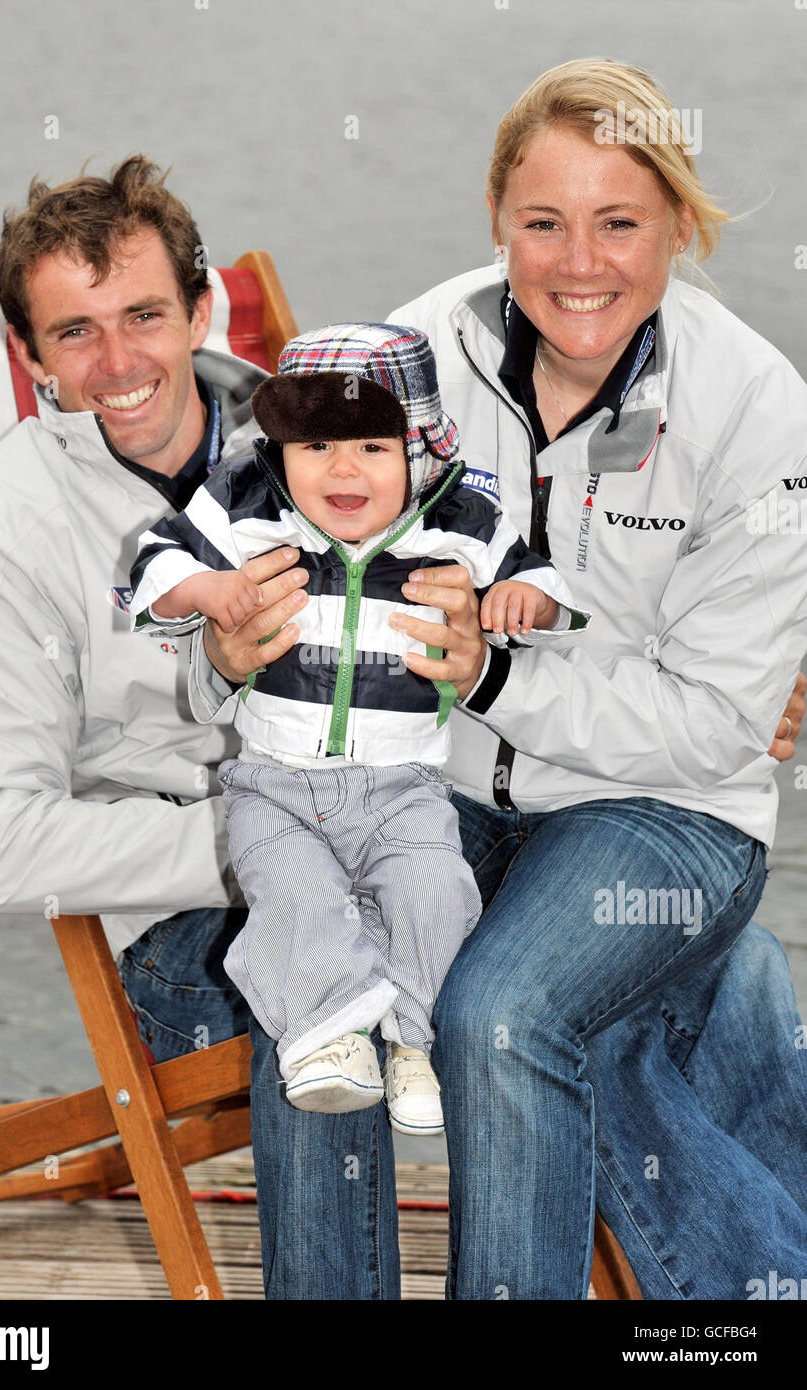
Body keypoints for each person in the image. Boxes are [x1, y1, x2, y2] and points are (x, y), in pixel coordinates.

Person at [0, 148, 805, 1302]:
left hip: (413, 813)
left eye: (144, 312)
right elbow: (9, 845)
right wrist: (283, 833)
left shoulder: (322, 423)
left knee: (697, 941)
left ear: (202, 308)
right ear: (28, 356)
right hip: (201, 920)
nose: (120, 361)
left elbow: (510, 568)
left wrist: (740, 680)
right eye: (73, 332)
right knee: (452, 973)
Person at [192, 59, 807, 1299]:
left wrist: (494, 678)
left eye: (620, 221)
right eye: (543, 221)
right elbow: (283, 544)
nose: (580, 262)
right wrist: (223, 642)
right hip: (428, 787)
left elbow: (721, 724)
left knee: (499, 1015)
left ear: (679, 226)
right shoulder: (413, 354)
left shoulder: (759, 410)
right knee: (317, 999)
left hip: (664, 814)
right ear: (495, 219)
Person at [129, 321, 580, 1131]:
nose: (341, 469)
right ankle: (329, 1034)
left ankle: (413, 1044)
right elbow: (157, 560)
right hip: (274, 782)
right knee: (292, 893)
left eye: (372, 448)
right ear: (280, 449)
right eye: (315, 449)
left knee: (434, 892)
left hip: (403, 785)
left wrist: (523, 604)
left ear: (421, 455)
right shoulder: (249, 500)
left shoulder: (460, 520)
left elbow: (539, 582)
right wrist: (203, 595)